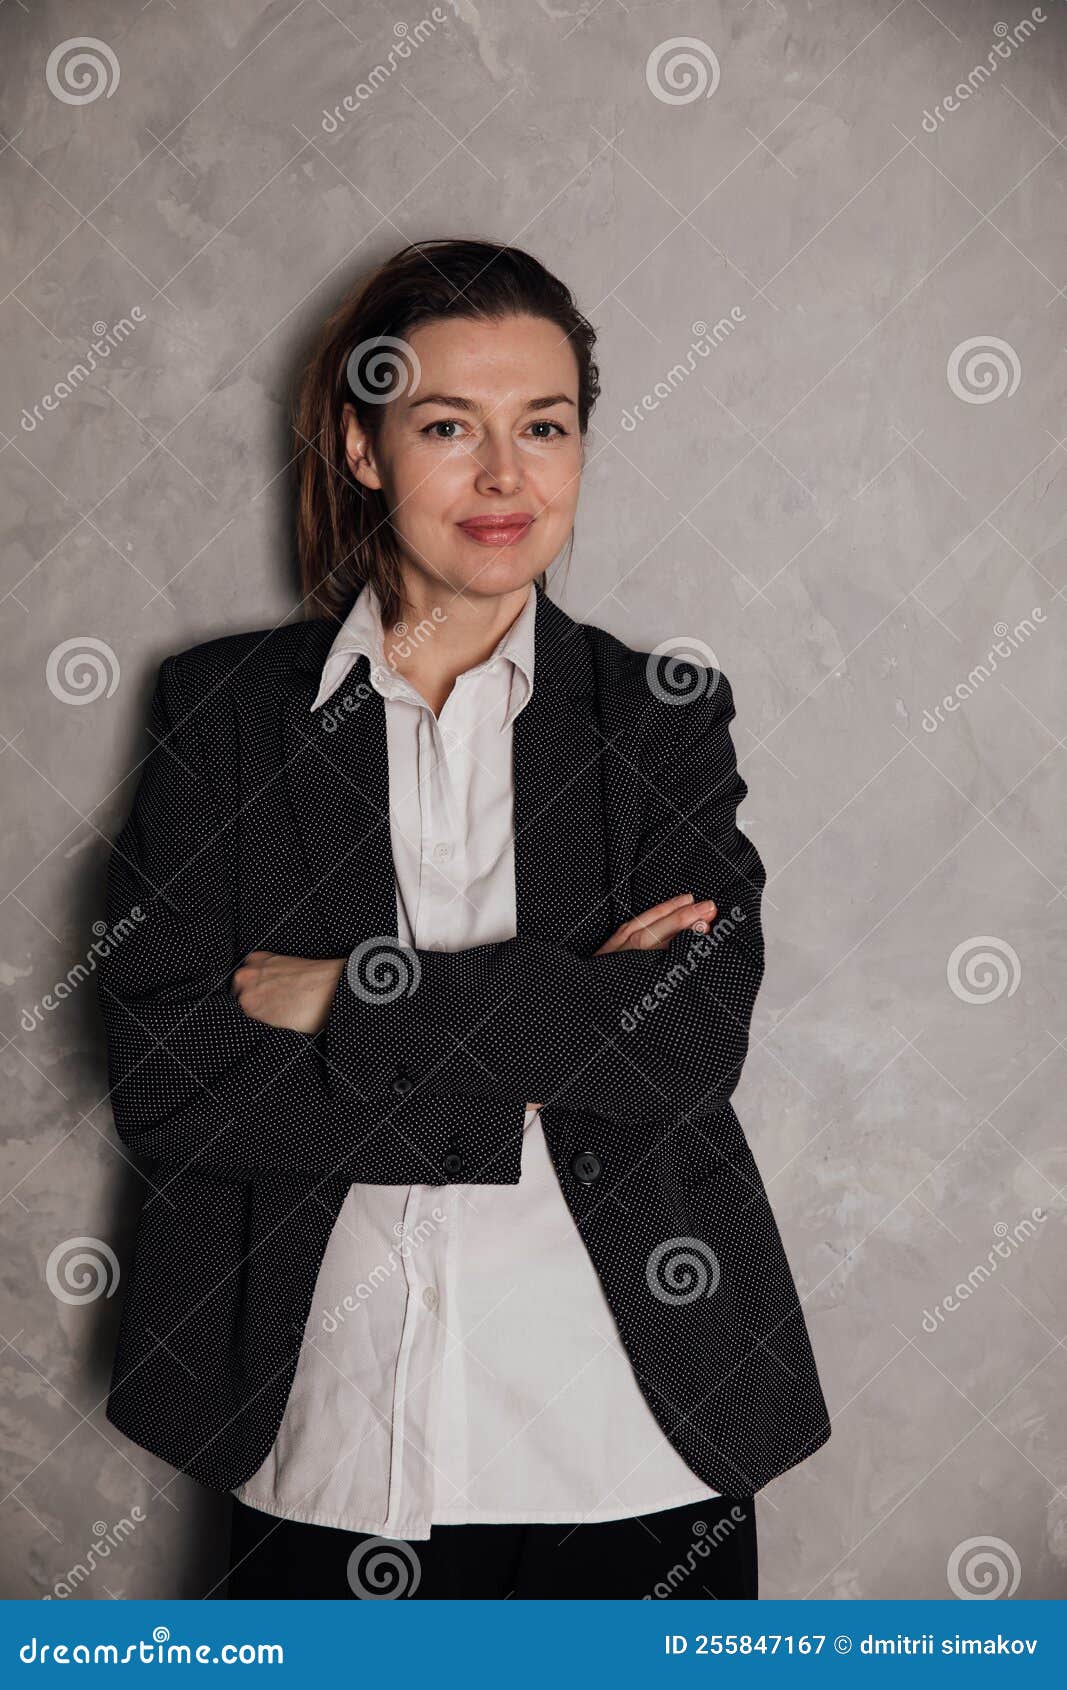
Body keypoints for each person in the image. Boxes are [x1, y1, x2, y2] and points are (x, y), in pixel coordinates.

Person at [96, 238, 830, 1601]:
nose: (507, 477)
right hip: (321, 1435)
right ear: (365, 449)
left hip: (628, 1441)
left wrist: (351, 997)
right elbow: (172, 1084)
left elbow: (681, 1045)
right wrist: (548, 1037)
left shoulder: (657, 713)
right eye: (449, 427)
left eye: (544, 426)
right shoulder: (227, 717)